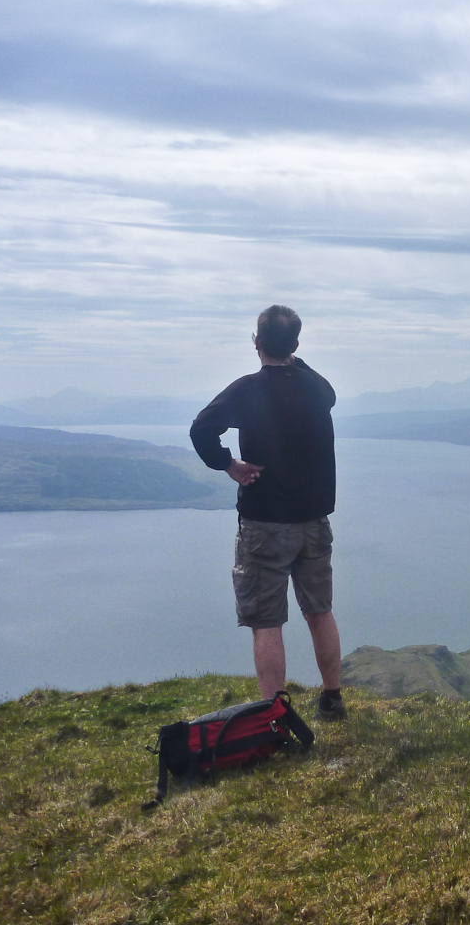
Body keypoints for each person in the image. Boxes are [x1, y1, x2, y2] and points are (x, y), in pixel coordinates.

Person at [190, 305, 347, 720]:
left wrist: (229, 465)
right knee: (320, 610)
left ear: (256, 342)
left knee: (267, 621)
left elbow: (201, 429)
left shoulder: (248, 390)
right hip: (314, 519)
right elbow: (328, 392)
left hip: (264, 523)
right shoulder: (315, 389)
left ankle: (274, 718)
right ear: (296, 345)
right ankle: (332, 699)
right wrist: (296, 359)